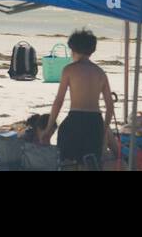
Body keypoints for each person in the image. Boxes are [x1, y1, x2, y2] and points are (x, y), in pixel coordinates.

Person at [43, 28, 114, 169]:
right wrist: (104, 131)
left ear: (74, 49)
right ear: (91, 50)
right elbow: (110, 107)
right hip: (95, 122)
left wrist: (49, 128)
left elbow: (59, 101)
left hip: (75, 119)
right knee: (90, 164)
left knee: (68, 163)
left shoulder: (69, 69)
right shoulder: (100, 73)